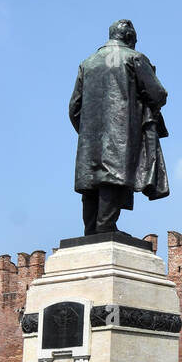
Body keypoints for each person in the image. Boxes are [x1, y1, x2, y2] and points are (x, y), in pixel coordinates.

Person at [70, 18, 170, 235]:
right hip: (122, 132)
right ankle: (105, 227)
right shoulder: (134, 58)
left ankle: (92, 230)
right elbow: (158, 94)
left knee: (91, 182)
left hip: (89, 138)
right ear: (128, 37)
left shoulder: (87, 63)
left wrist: (87, 132)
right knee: (113, 177)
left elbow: (74, 107)